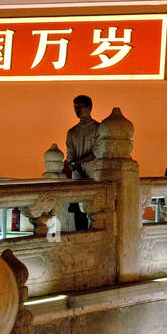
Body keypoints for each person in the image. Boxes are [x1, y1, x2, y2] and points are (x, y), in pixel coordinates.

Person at [62, 95, 97, 232]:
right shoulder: (72, 132)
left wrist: (77, 162)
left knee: (96, 215)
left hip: (94, 177)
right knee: (79, 216)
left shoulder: (98, 129)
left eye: (80, 106)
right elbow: (69, 156)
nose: (77, 110)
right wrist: (75, 164)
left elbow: (97, 152)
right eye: (75, 106)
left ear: (89, 108)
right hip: (77, 180)